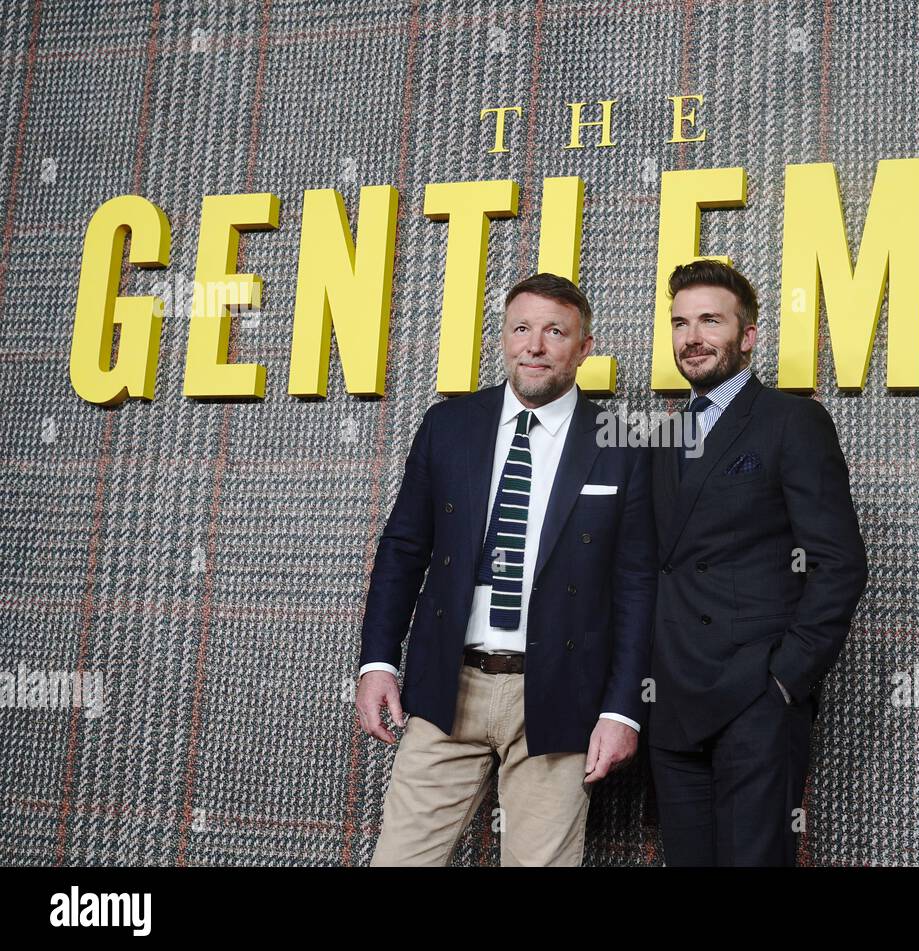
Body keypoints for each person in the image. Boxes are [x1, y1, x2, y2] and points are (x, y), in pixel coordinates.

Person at [357, 273, 655, 866]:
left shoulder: (624, 439)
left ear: (585, 346)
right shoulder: (450, 426)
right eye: (522, 329)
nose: (535, 345)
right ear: (504, 338)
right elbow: (403, 548)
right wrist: (378, 660)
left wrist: (623, 709)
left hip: (561, 690)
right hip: (448, 684)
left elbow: (638, 584)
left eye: (555, 332)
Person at [648, 260, 868, 866]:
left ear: (747, 335)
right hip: (671, 702)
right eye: (680, 323)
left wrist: (784, 679)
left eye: (710, 321)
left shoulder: (792, 421)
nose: (692, 337)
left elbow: (840, 562)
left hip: (755, 698)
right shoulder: (661, 435)